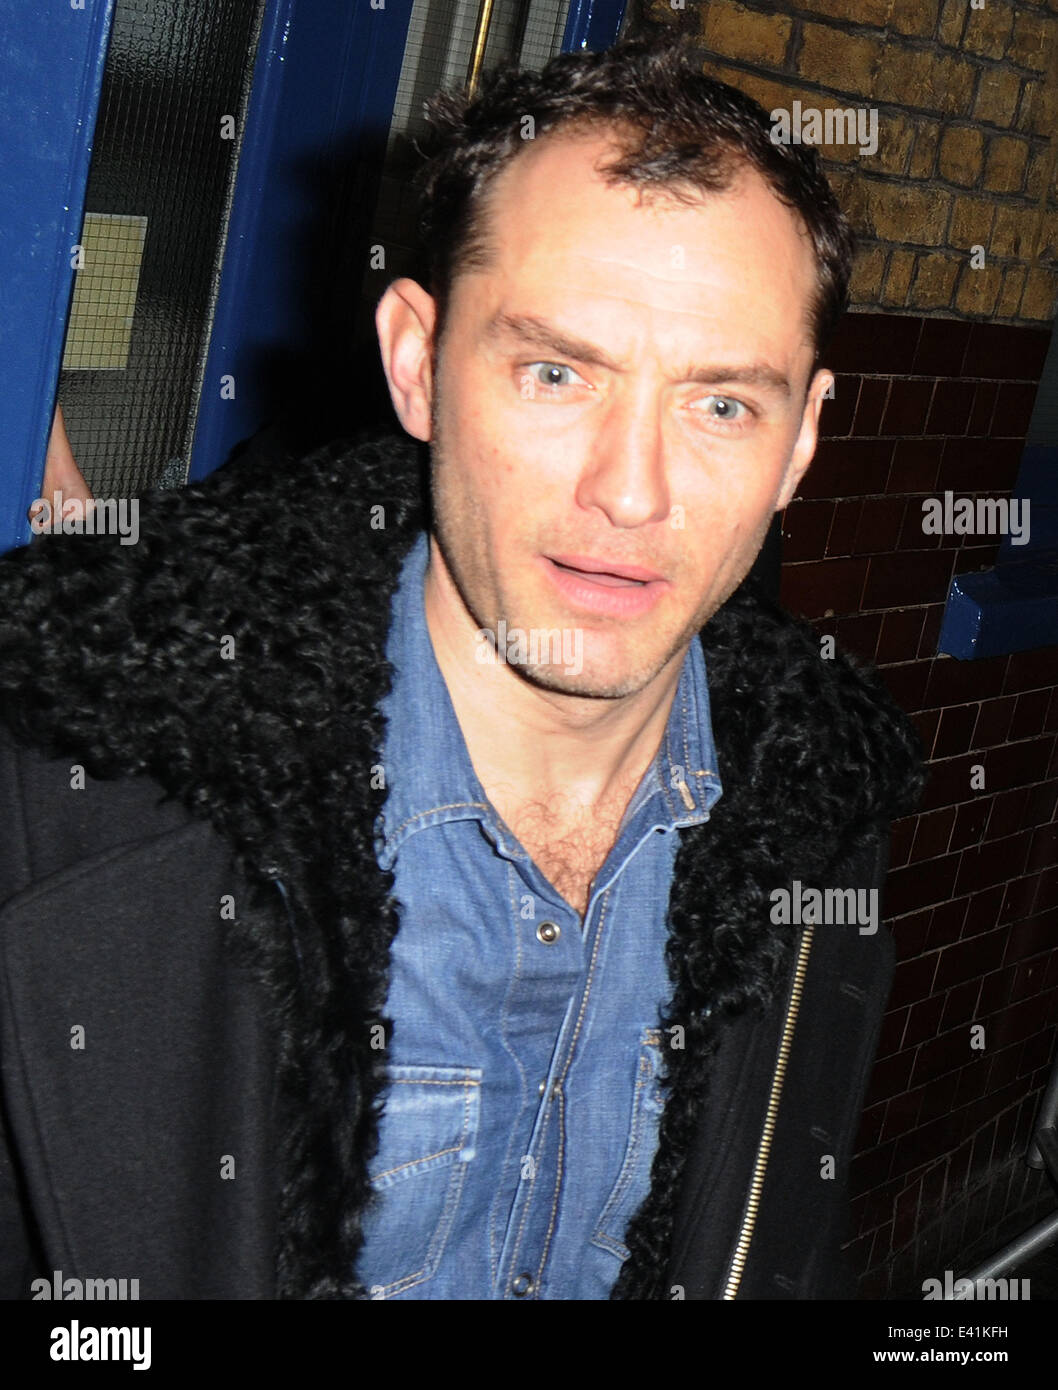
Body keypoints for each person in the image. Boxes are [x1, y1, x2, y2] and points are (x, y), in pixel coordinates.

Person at [0, 35, 921, 1301]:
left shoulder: (819, 825)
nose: (629, 492)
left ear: (800, 440)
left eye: (719, 404)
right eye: (556, 373)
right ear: (416, 362)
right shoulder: (91, 803)